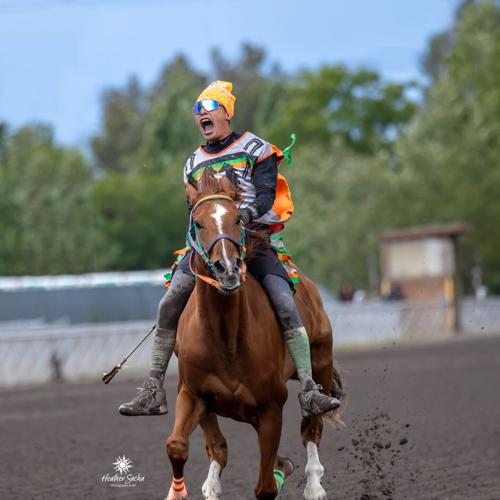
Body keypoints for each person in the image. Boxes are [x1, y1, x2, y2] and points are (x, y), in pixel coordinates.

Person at [119, 81, 339, 418]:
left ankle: (309, 387)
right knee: (170, 300)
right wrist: (196, 245)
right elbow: (193, 213)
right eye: (197, 109)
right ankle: (153, 388)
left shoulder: (257, 149)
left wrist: (244, 215)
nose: (202, 114)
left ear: (226, 112)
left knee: (283, 300)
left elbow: (265, 195)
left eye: (209, 106)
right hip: (206, 252)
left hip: (253, 244)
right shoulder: (192, 162)